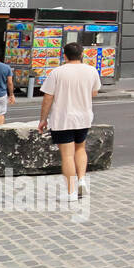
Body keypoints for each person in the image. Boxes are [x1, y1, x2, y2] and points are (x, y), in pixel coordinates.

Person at [38, 42, 102, 202]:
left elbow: (48, 97)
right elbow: (94, 92)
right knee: (80, 148)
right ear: (82, 54)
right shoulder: (91, 71)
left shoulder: (57, 72)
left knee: (67, 155)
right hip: (84, 117)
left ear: (64, 55)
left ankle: (71, 191)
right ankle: (81, 180)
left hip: (63, 118)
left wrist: (43, 119)